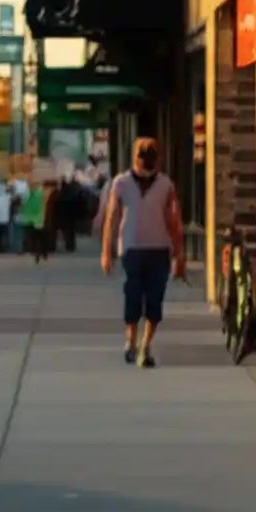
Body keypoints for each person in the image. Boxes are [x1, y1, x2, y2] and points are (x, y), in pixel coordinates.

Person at [101, 138, 186, 368]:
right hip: (132, 249)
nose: (146, 160)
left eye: (151, 156)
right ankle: (131, 341)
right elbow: (111, 218)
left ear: (158, 159)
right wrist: (106, 252)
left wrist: (179, 254)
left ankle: (145, 345)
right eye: (142, 155)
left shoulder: (166, 185)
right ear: (134, 157)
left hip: (159, 249)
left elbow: (174, 220)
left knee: (154, 300)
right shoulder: (121, 183)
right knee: (133, 295)